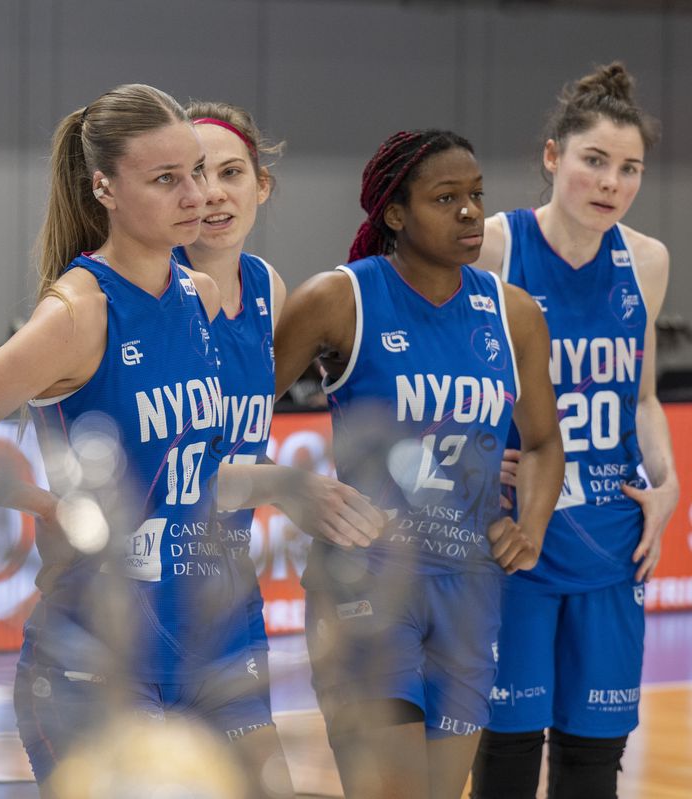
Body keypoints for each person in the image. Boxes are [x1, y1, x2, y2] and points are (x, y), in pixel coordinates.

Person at [0, 83, 386, 799]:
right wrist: (41, 504)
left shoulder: (200, 294)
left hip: (214, 637)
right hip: (99, 657)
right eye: (167, 179)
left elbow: (199, 471)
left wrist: (291, 486)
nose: (194, 194)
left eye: (197, 172)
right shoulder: (77, 312)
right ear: (104, 187)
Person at [272, 129, 565, 798]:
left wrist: (534, 528)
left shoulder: (512, 313)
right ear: (396, 213)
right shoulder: (338, 299)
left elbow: (544, 440)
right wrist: (285, 485)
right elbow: (231, 420)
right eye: (446, 197)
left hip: (469, 589)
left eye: (475, 196)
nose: (469, 212)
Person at [469, 63, 679, 799]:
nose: (612, 182)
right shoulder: (497, 247)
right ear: (554, 157)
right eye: (594, 160)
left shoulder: (646, 260)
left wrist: (669, 484)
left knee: (596, 754)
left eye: (630, 169)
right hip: (515, 537)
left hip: (610, 538)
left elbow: (645, 396)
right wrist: (475, 453)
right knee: (509, 748)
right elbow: (435, 369)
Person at [172, 100, 285, 712]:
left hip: (231, 593)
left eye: (232, 173)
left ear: (261, 185)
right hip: (149, 595)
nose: (212, 193)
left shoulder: (269, 285)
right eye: (193, 174)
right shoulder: (148, 288)